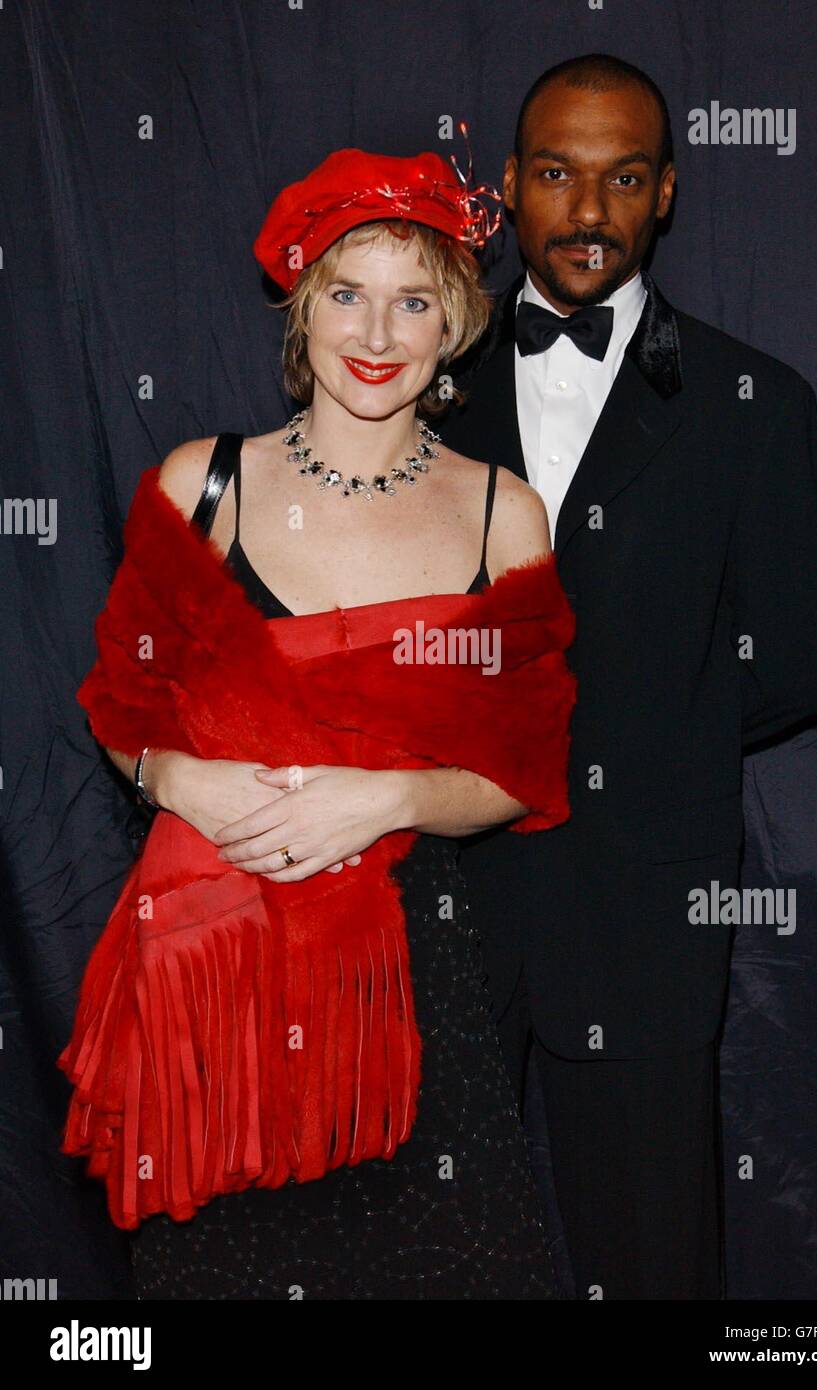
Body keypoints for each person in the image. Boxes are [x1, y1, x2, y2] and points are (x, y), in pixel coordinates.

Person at [57, 146, 578, 1299]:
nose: (376, 331)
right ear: (303, 308)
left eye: (413, 300)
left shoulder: (504, 515)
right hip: (218, 1000)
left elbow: (526, 765)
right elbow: (117, 704)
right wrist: (174, 778)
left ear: (456, 327)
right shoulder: (204, 485)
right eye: (347, 292)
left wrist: (389, 797)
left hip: (416, 990)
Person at [439, 54, 817, 1300]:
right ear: (510, 188)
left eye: (623, 178)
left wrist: (631, 742)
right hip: (432, 897)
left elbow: (796, 668)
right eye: (558, 174)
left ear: (666, 193)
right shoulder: (411, 392)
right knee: (420, 1253)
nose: (590, 211)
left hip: (649, 906)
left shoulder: (756, 404)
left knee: (652, 1262)